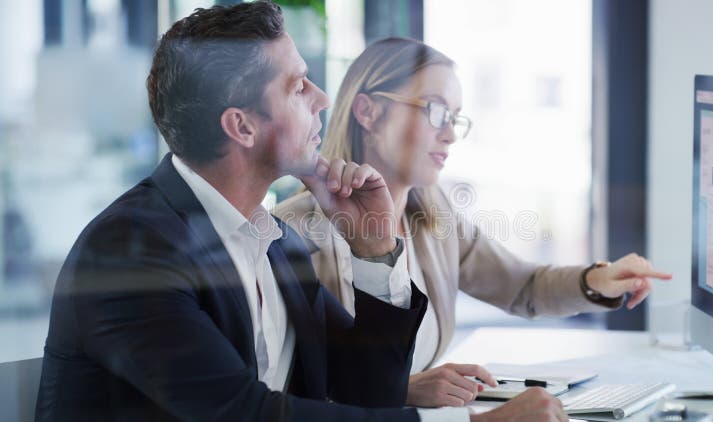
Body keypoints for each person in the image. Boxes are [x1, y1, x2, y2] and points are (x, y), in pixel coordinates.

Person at [34, 2, 568, 421]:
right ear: (242, 126)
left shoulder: (274, 242)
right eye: (297, 86)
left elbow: (368, 390)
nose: (322, 98)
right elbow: (246, 414)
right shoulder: (131, 250)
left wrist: (374, 249)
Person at [272, 37, 673, 411]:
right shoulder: (291, 233)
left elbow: (520, 286)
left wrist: (597, 280)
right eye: (435, 110)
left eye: (455, 118)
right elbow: (284, 390)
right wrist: (401, 388)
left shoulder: (433, 215)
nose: (450, 134)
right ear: (367, 112)